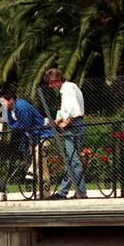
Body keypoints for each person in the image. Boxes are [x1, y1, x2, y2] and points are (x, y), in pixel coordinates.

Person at [42, 69, 88, 199]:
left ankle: (81, 192)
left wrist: (66, 121)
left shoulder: (67, 89)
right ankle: (64, 191)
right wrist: (59, 119)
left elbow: (73, 108)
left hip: (72, 126)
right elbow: (67, 107)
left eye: (51, 83)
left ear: (56, 80)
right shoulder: (71, 87)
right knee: (72, 160)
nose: (51, 86)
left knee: (74, 161)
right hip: (77, 124)